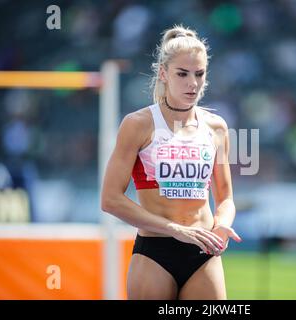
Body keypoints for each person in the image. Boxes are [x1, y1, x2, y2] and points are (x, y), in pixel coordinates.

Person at [101, 25, 242, 300]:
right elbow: (110, 200)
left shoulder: (216, 127)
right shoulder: (138, 124)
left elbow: (225, 198)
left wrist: (222, 223)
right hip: (156, 253)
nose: (193, 83)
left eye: (199, 74)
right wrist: (174, 229)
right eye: (182, 74)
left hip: (204, 251)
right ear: (164, 74)